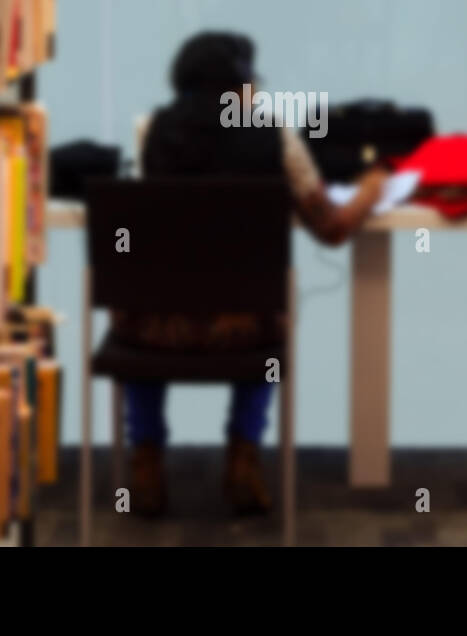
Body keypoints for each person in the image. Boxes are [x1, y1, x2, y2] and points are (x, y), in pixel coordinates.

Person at [120, 30, 386, 516]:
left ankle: (146, 461)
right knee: (266, 304)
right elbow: (331, 230)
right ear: (241, 86)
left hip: (155, 331)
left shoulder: (150, 130)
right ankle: (243, 456)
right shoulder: (275, 137)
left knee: (146, 303)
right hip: (246, 331)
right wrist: (371, 189)